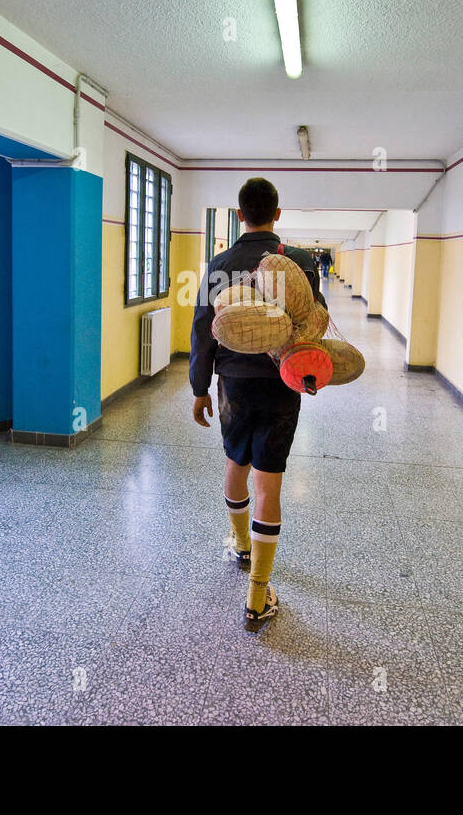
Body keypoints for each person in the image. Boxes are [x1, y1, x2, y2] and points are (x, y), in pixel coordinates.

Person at [190, 178, 325, 631]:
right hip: (282, 381)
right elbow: (314, 321)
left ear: (240, 214)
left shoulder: (221, 262)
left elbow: (203, 327)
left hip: (234, 382)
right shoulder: (300, 262)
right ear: (278, 214)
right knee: (270, 481)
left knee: (235, 460)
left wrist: (199, 386)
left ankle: (239, 542)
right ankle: (257, 594)